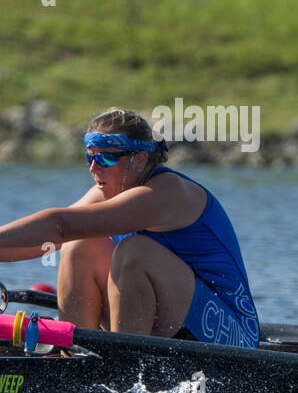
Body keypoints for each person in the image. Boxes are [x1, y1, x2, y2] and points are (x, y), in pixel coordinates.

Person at [0, 108, 259, 347]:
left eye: (106, 159)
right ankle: (75, 359)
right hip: (172, 321)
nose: (94, 168)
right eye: (89, 158)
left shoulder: (166, 193)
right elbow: (48, 241)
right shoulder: (110, 190)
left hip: (232, 336)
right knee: (79, 245)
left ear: (140, 159)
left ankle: (123, 368)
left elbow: (60, 225)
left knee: (134, 251)